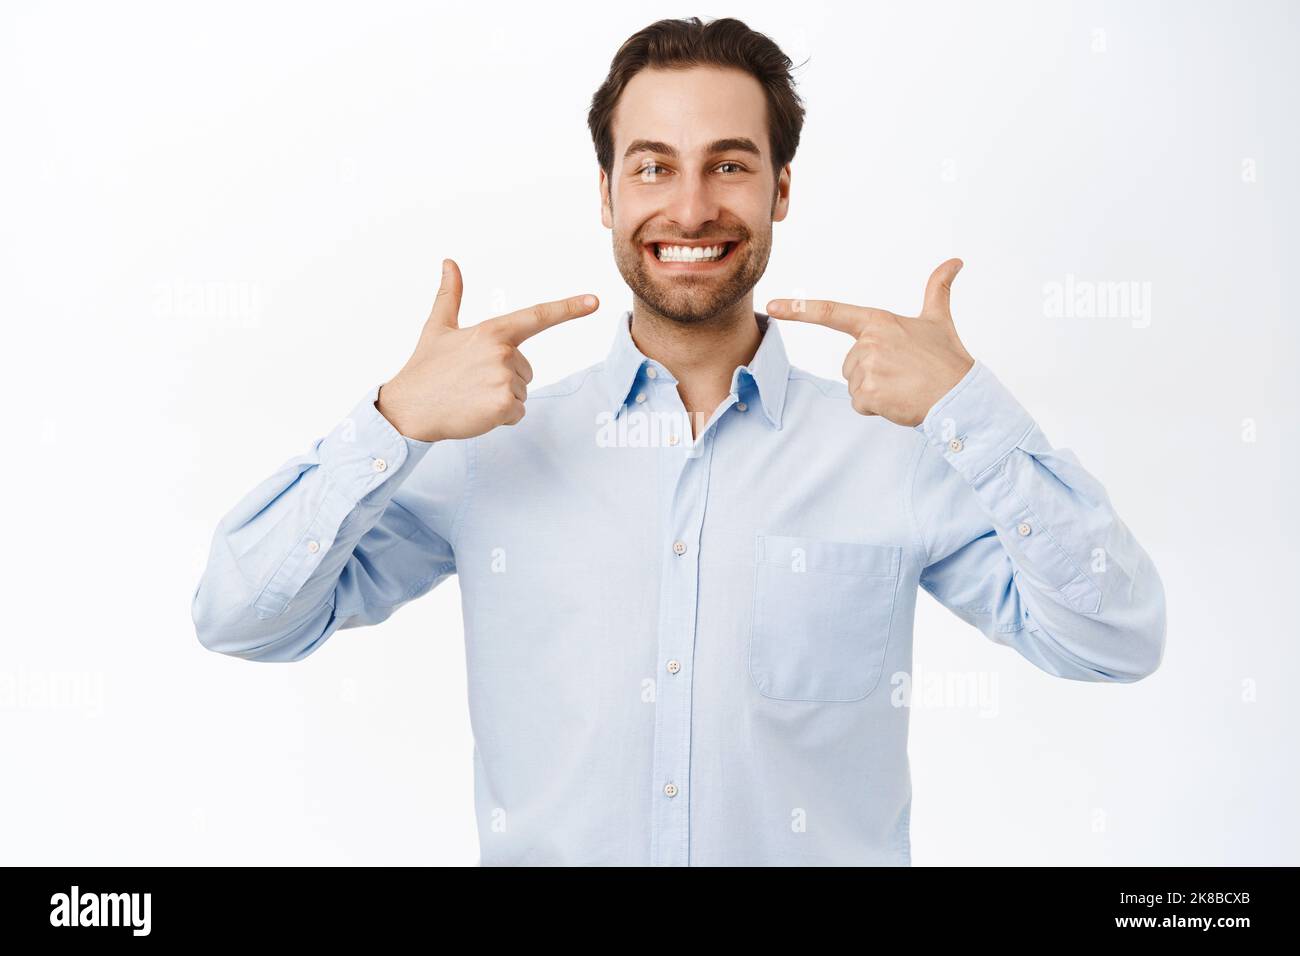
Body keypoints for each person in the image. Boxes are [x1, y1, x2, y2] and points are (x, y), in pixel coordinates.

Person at [191, 16, 1165, 866]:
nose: (690, 207)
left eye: (728, 165)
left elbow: (1114, 639)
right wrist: (392, 419)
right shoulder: (489, 443)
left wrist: (971, 411)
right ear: (606, 192)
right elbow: (240, 615)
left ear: (780, 188)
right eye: (652, 164)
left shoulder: (896, 447)